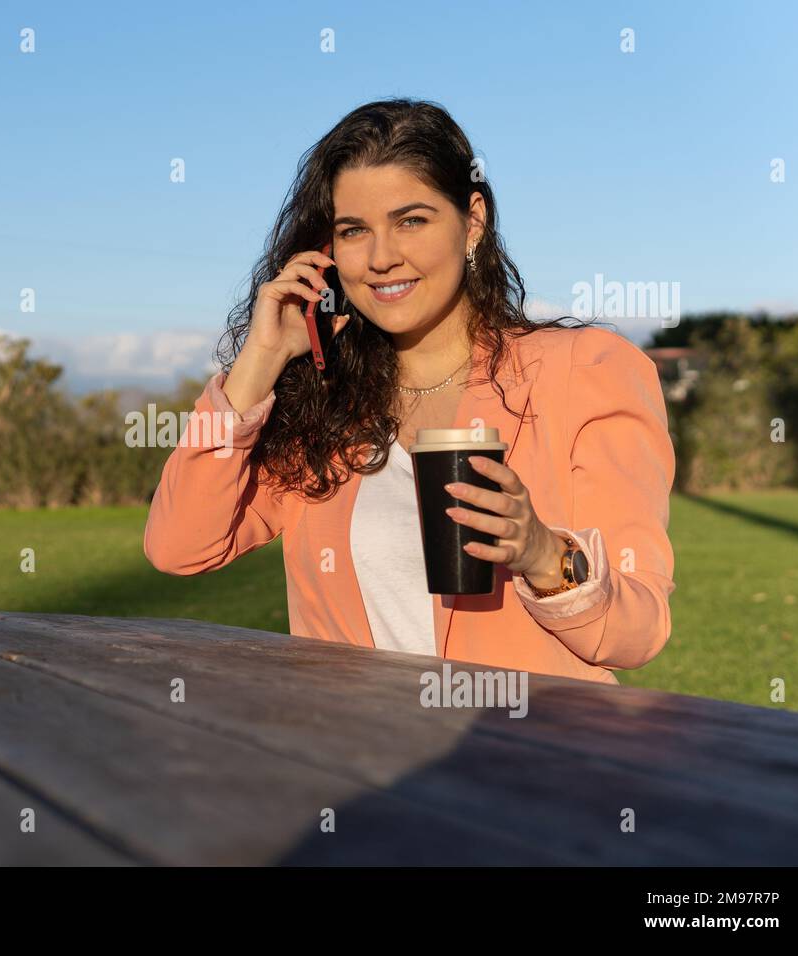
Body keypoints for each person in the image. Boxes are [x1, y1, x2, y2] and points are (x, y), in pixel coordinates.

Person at [143, 98, 676, 685]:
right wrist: (260, 362)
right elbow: (179, 546)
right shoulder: (324, 404)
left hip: (529, 759)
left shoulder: (589, 370)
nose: (380, 258)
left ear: (472, 220)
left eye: (412, 220)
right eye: (354, 231)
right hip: (361, 766)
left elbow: (639, 630)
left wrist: (542, 554)